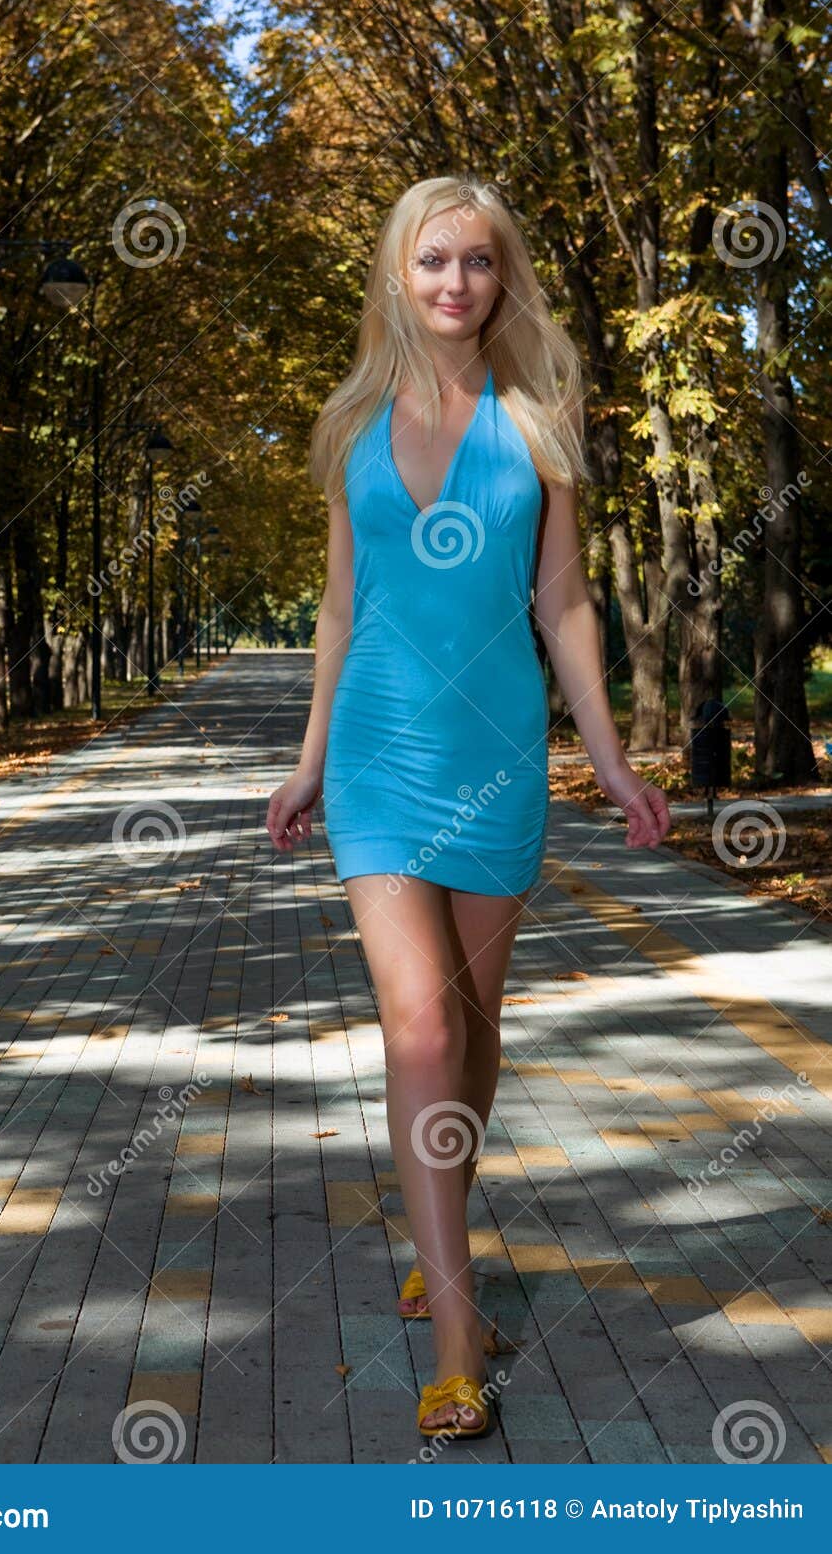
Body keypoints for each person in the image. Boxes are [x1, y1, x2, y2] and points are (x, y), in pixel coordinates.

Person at [265, 174, 671, 1442]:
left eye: (478, 263)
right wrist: (308, 757)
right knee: (424, 1031)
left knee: (478, 1031)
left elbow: (563, 605)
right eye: (432, 260)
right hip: (379, 762)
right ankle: (454, 1333)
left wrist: (606, 762)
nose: (454, 283)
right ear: (397, 272)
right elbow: (340, 609)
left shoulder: (539, 421)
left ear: (502, 278)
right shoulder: (348, 423)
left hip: (497, 764)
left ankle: (441, 1215)